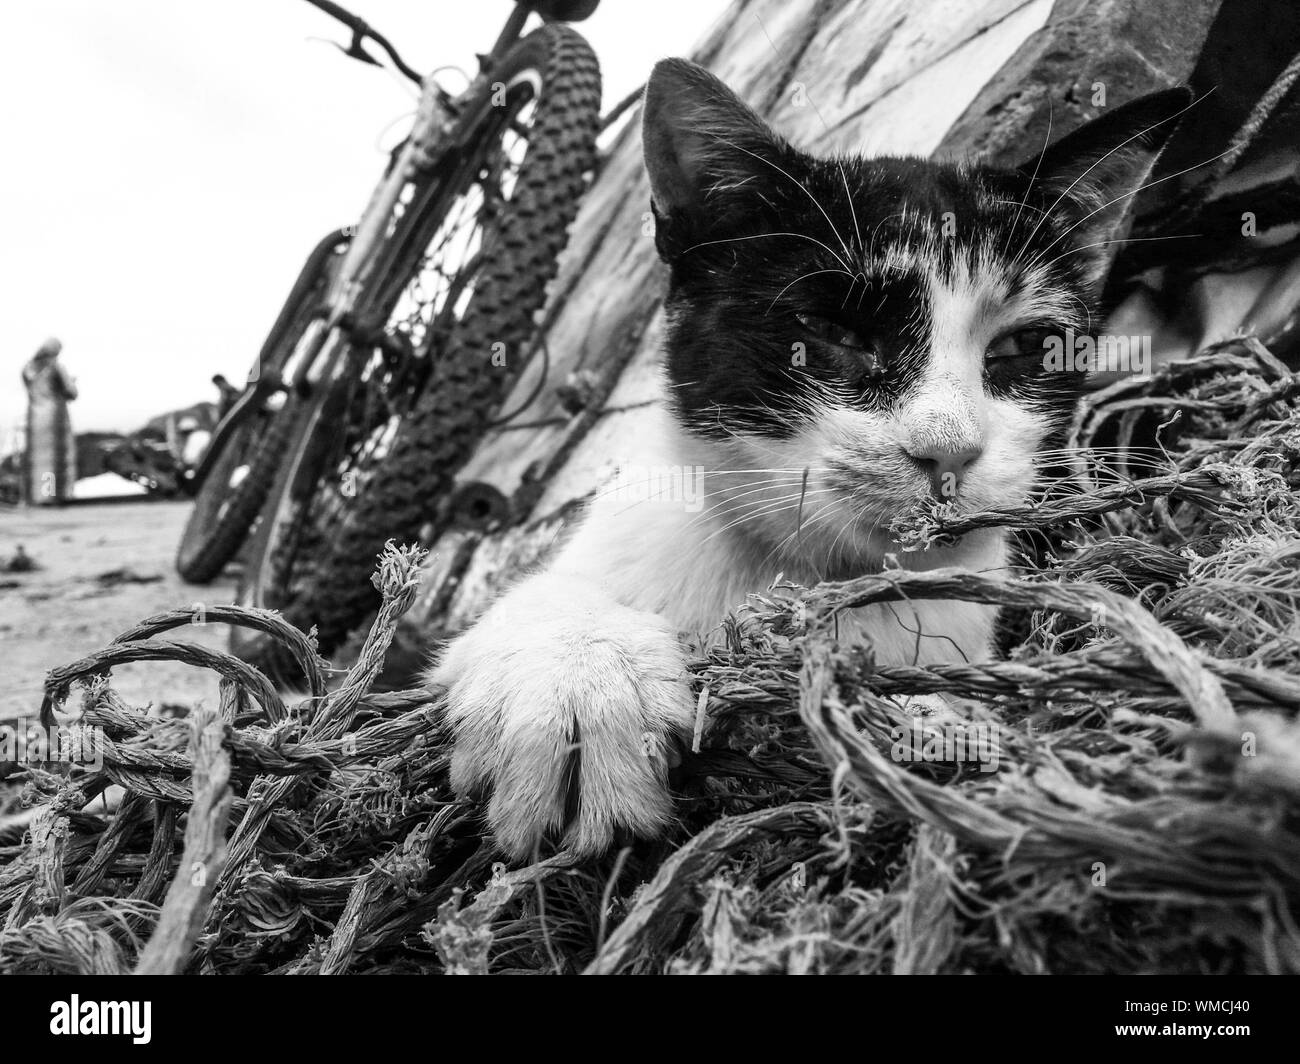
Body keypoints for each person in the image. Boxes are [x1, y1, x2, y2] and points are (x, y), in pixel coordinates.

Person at [21, 337, 78, 504]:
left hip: (35, 417)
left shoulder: (28, 368)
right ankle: (55, 495)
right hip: (55, 418)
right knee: (57, 459)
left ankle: (39, 495)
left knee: (38, 460)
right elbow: (71, 391)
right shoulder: (55, 367)